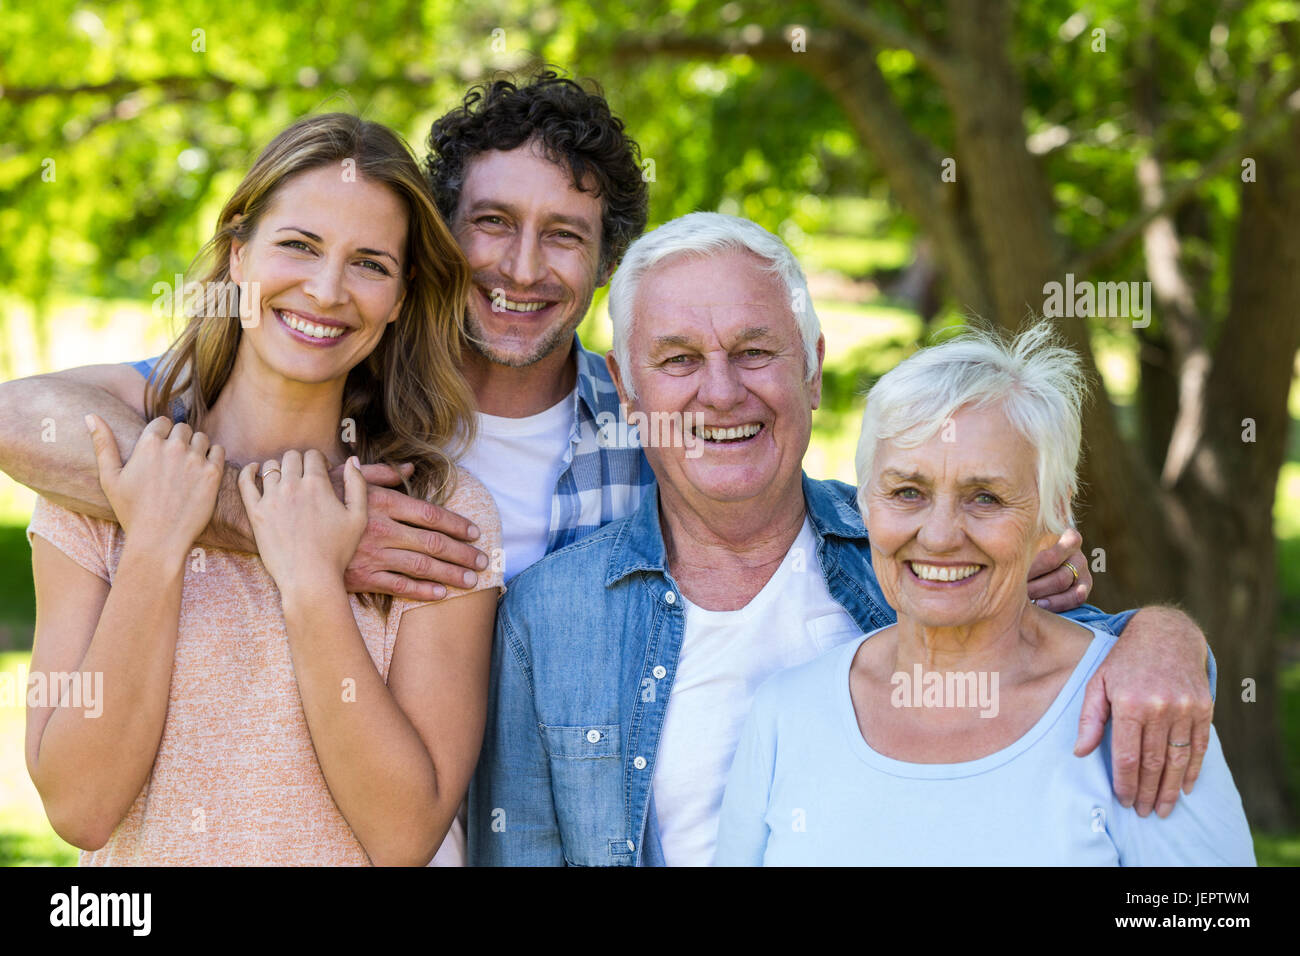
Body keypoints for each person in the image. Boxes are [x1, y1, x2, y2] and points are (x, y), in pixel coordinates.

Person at [469, 213, 1218, 867]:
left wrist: (1164, 633)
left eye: (755, 350)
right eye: (679, 360)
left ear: (814, 369)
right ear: (628, 395)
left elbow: (1083, 670)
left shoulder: (924, 547)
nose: (723, 392)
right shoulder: (548, 619)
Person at [23, 114, 502, 865]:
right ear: (239, 255)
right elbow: (79, 808)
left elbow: (404, 834)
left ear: (403, 296)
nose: (326, 289)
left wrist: (310, 581)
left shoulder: (435, 513)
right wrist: (155, 542)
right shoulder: (106, 478)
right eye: (299, 245)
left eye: (370, 264)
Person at [714, 324, 1254, 865]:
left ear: (1054, 512)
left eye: (986, 498)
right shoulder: (786, 712)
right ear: (866, 506)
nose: (941, 535)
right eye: (907, 492)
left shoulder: (1139, 710)